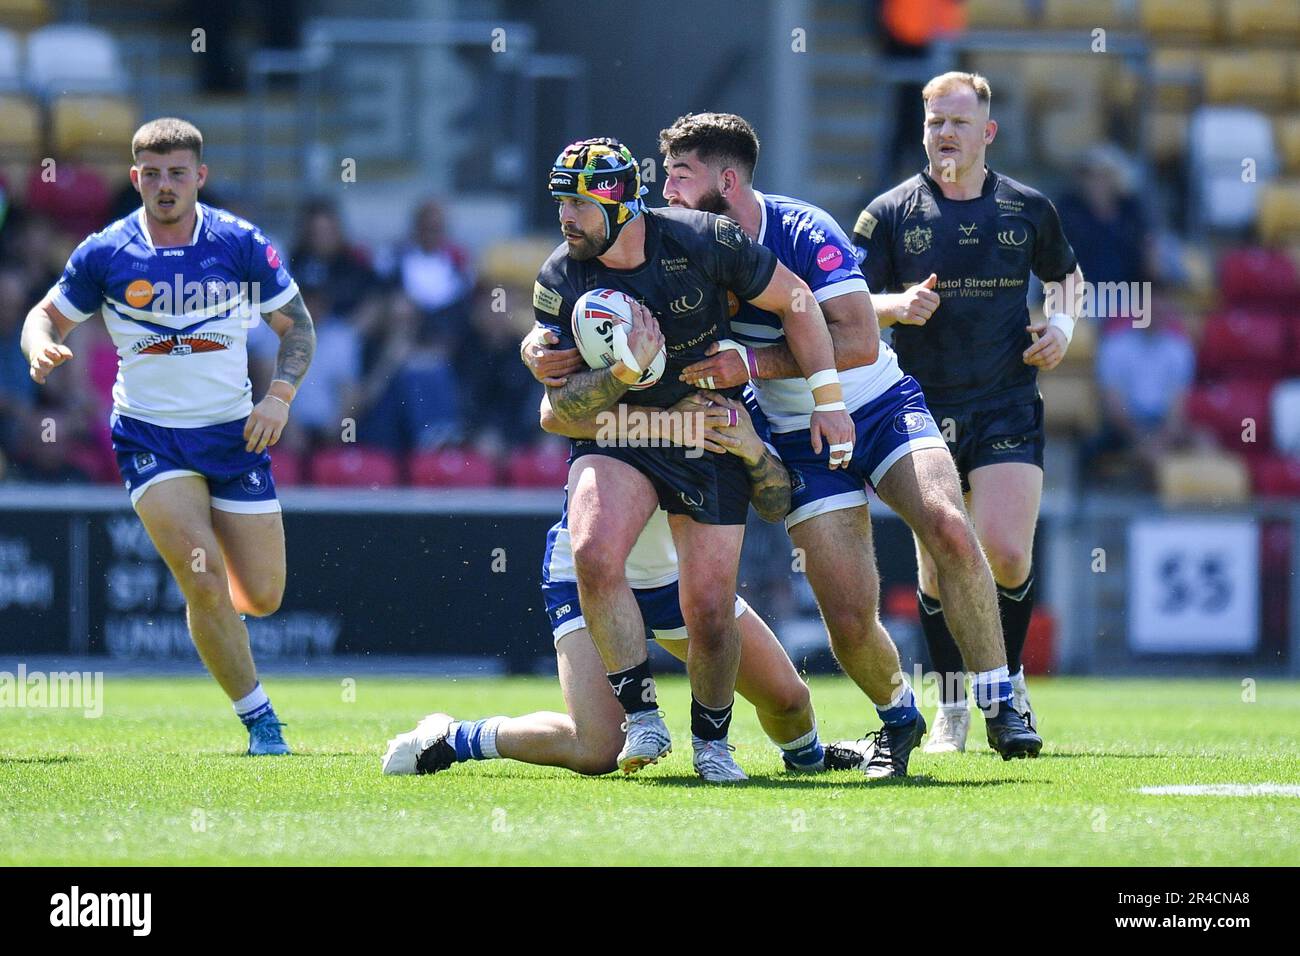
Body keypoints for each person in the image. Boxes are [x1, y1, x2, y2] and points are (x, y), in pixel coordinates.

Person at [528, 137, 853, 782]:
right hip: (622, 432)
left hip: (709, 436)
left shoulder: (703, 239)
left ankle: (713, 743)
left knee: (709, 606)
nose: (565, 217)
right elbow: (556, 411)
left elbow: (797, 301)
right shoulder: (560, 276)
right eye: (559, 200)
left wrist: (828, 400)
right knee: (593, 550)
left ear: (619, 202)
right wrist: (615, 370)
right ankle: (642, 713)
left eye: (577, 203)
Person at [19, 118, 314, 755]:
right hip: (151, 437)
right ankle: (261, 721)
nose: (165, 185)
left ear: (200, 177)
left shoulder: (238, 242)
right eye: (151, 174)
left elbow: (299, 329)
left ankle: (220, 623)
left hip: (235, 436)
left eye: (178, 173)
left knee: (261, 596)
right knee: (201, 576)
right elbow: (43, 316)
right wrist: (41, 346)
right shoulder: (106, 251)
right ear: (135, 179)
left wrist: (279, 398)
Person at [382, 390, 845, 778]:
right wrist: (671, 425)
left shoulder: (731, 386)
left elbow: (776, 501)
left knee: (789, 703)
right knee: (597, 749)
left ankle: (811, 761)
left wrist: (753, 450)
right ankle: (453, 737)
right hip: (593, 574)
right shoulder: (617, 365)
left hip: (678, 580)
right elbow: (554, 411)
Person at [852, 72, 1085, 751]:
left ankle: (1004, 687)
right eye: (933, 122)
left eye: (957, 122)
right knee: (937, 564)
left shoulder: (1026, 208)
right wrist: (893, 306)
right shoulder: (889, 213)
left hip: (1006, 399)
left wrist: (1062, 329)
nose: (944, 133)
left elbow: (1066, 278)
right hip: (920, 409)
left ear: (987, 132)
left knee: (1007, 554)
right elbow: (840, 303)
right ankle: (953, 700)